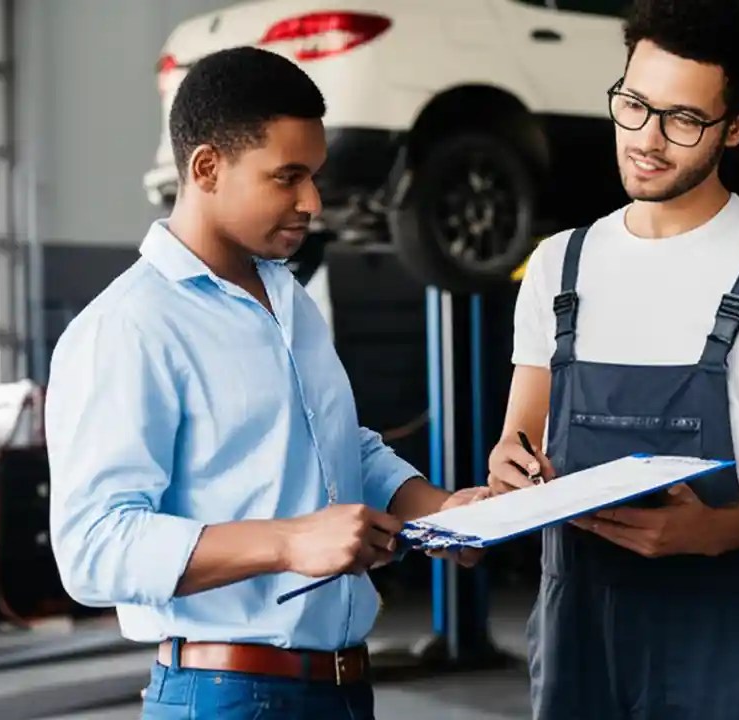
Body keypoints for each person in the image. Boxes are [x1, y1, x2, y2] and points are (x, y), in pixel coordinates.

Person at [45, 46, 485, 720]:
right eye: (288, 177)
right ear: (207, 169)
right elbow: (93, 546)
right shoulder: (129, 327)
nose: (312, 200)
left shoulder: (289, 299)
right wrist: (286, 541)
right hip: (229, 696)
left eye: (315, 175)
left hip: (339, 689)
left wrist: (437, 509)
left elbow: (342, 445)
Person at [486, 1, 739, 718]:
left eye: (684, 120)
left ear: (737, 125)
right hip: (579, 637)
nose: (648, 139)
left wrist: (714, 531)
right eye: (633, 105)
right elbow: (522, 443)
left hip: (727, 640)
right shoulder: (558, 265)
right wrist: (508, 469)